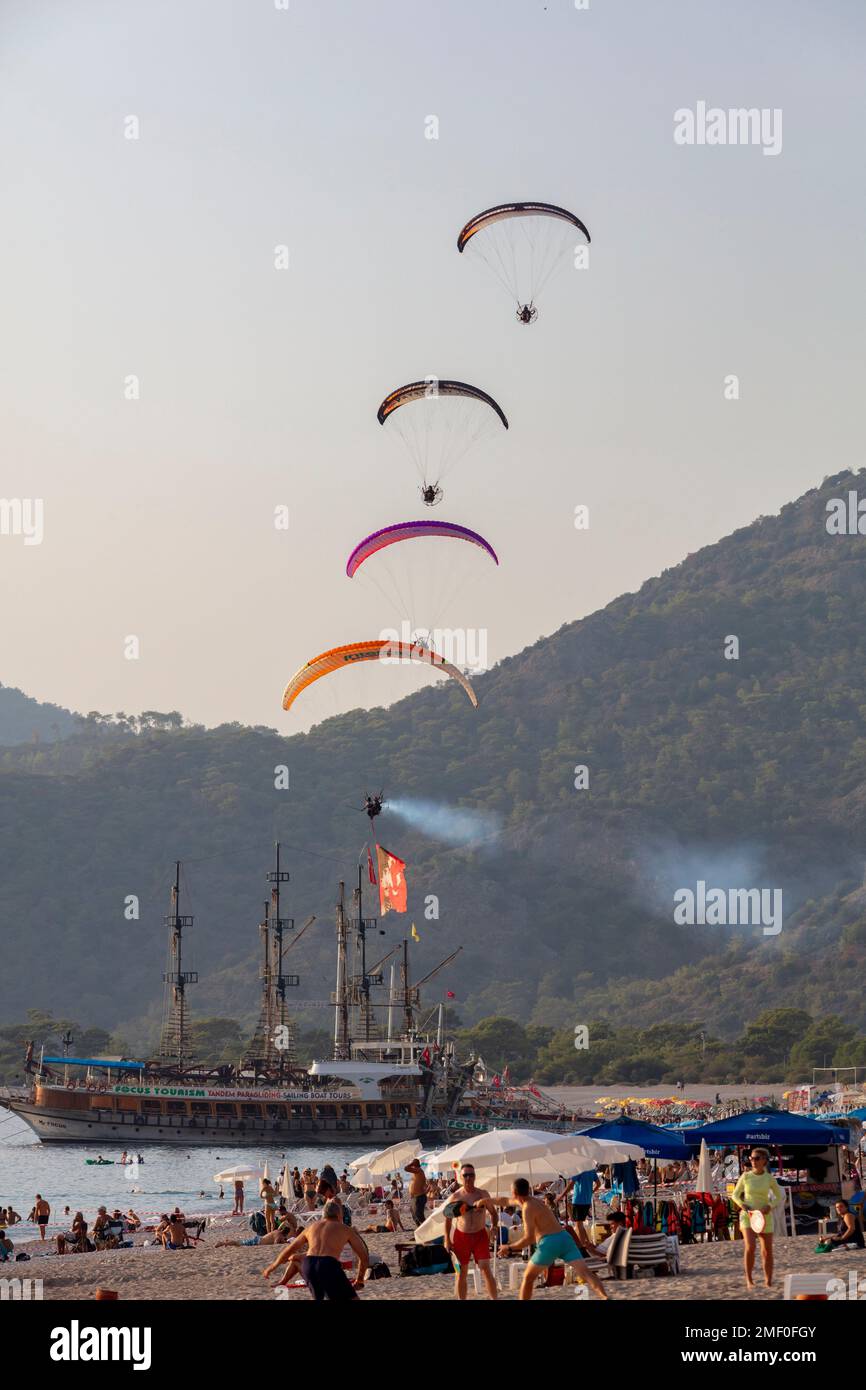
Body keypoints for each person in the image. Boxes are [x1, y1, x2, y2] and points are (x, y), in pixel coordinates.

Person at [502, 1178, 609, 1301]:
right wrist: (486, 1200)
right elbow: (503, 1200)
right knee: (586, 1273)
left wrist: (509, 1247)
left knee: (528, 1278)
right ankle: (605, 1297)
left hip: (549, 1241)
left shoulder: (527, 1207)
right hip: (564, 1238)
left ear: (514, 1193)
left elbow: (529, 1238)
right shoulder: (537, 1201)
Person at [264, 1200, 369, 1299]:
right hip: (329, 1265)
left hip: (309, 1265)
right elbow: (364, 1256)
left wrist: (272, 1267)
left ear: (323, 1215)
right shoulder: (345, 1229)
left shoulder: (311, 1227)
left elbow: (289, 1250)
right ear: (339, 1215)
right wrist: (360, 1280)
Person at [442, 1163, 499, 1301]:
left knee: (486, 1269)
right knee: (461, 1272)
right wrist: (447, 1240)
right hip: (462, 1237)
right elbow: (447, 1219)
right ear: (461, 1177)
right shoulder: (456, 1197)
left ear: (475, 1176)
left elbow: (493, 1213)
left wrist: (494, 1226)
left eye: (471, 1174)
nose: (468, 1177)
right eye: (465, 1175)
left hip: (480, 1235)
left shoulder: (483, 1194)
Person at [731, 1148, 784, 1289]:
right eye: (751, 1158)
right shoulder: (746, 1176)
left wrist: (770, 1205)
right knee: (750, 1246)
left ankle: (768, 1281)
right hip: (748, 1215)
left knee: (767, 1250)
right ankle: (749, 1280)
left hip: (765, 1215)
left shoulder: (769, 1178)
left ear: (765, 1161)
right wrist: (742, 1205)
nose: (753, 1161)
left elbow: (779, 1197)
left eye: (757, 1158)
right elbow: (735, 1195)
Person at [564, 1167, 599, 1251]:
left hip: (578, 1200)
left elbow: (571, 1184)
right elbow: (599, 1183)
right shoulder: (591, 1169)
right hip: (587, 1200)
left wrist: (561, 1195)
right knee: (580, 1224)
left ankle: (581, 1247)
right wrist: (591, 1191)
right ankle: (587, 1243)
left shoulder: (578, 1169)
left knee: (578, 1225)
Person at [406, 1158, 427, 1227]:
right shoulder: (416, 1172)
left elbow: (406, 1168)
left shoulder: (418, 1170)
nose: (411, 1165)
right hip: (415, 1197)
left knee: (418, 1215)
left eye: (412, 1163)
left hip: (419, 1197)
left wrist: (412, 1163)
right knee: (414, 1214)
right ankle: (420, 1229)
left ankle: (426, 1228)